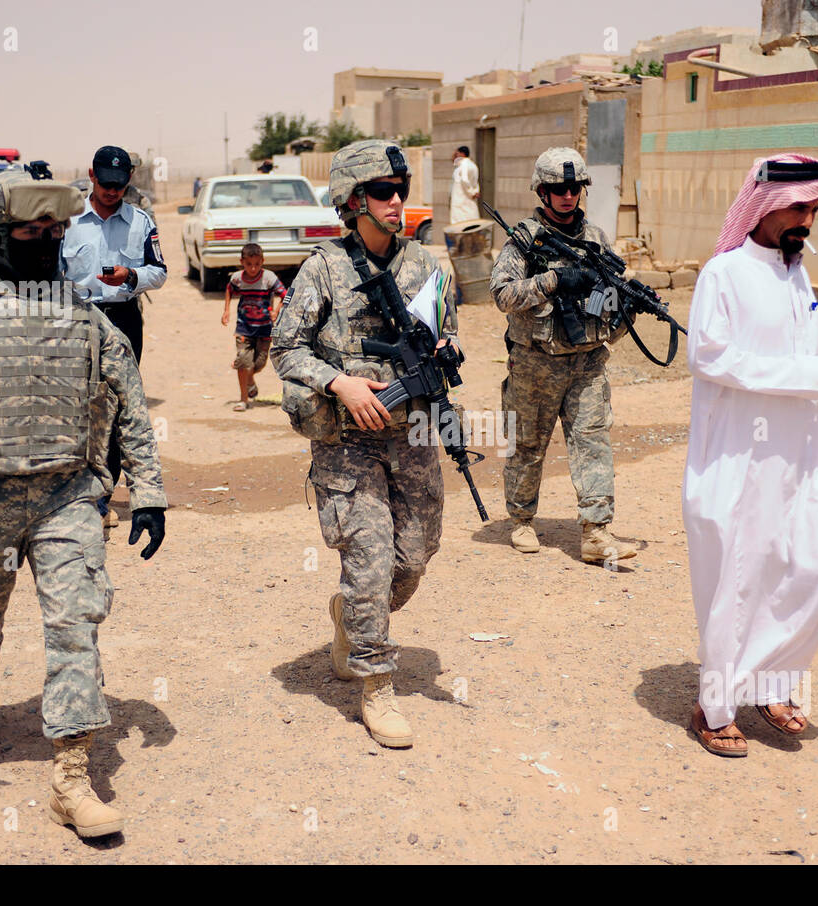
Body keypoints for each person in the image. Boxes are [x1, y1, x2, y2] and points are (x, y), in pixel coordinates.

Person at [0, 169, 167, 838]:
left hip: (66, 495)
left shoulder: (86, 319)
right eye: (29, 230)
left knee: (76, 620)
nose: (45, 241)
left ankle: (72, 774)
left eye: (54, 229)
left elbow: (128, 398)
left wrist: (150, 491)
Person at [272, 140, 457, 749]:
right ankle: (377, 686)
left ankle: (348, 616)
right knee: (371, 563)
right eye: (382, 191)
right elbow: (286, 349)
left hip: (414, 436)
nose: (396, 200)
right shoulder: (323, 269)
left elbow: (446, 334)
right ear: (353, 201)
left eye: (400, 188)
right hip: (348, 443)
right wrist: (341, 382)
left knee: (413, 559)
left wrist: (438, 356)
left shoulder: (426, 264)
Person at [683, 153, 818, 757]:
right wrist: (807, 373)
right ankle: (716, 709)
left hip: (800, 459)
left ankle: (767, 679)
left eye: (814, 209)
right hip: (739, 462)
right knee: (738, 584)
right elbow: (712, 358)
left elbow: (795, 357)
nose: (807, 220)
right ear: (762, 207)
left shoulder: (797, 273)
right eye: (798, 208)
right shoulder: (724, 273)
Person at [489, 146, 636, 564]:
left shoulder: (594, 239)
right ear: (542, 191)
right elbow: (501, 295)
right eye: (558, 189)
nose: (567, 196)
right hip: (535, 364)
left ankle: (596, 532)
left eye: (574, 188)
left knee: (592, 443)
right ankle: (520, 520)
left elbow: (609, 303)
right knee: (527, 446)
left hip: (587, 363)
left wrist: (628, 306)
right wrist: (553, 280)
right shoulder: (524, 240)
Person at [60, 144, 167, 535]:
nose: (111, 192)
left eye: (119, 186)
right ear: (92, 176)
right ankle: (73, 494)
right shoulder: (67, 221)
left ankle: (102, 496)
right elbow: (52, 271)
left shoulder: (140, 221)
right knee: (76, 407)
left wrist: (132, 276)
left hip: (122, 320)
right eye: (105, 184)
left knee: (119, 408)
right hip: (76, 320)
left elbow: (160, 271)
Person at [221, 242, 285, 410]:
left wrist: (276, 311)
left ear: (262, 261)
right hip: (244, 327)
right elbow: (229, 289)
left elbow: (285, 295)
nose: (253, 268)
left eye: (257, 264)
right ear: (242, 262)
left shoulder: (269, 278)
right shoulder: (237, 278)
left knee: (259, 363)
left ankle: (249, 377)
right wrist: (226, 310)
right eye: (249, 264)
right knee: (244, 361)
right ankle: (243, 399)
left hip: (264, 329)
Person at [450, 145, 480, 223]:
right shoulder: (473, 165)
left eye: (457, 154)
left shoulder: (463, 166)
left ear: (462, 154)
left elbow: (464, 180)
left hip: (461, 202)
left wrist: (472, 193)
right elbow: (475, 182)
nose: (455, 156)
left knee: (461, 224)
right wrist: (475, 191)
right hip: (468, 201)